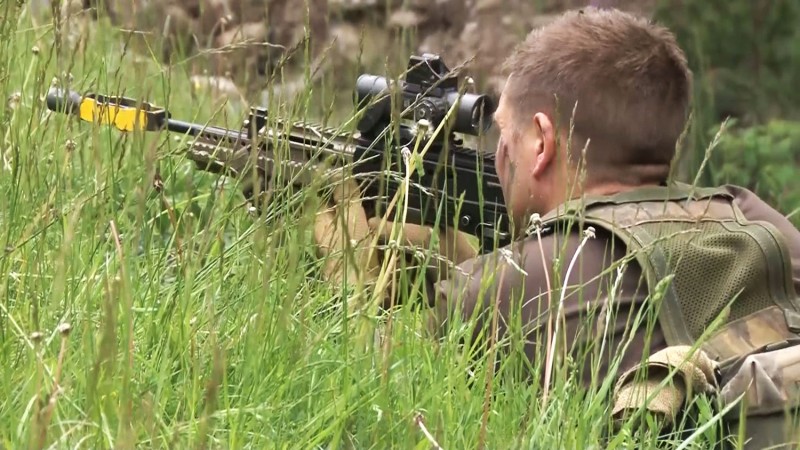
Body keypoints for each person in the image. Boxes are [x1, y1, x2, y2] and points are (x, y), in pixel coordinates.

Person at [310, 7, 800, 448]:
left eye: (505, 135)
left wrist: (349, 273)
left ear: (542, 143)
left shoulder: (500, 290)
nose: (499, 156)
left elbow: (381, 409)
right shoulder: (759, 222)